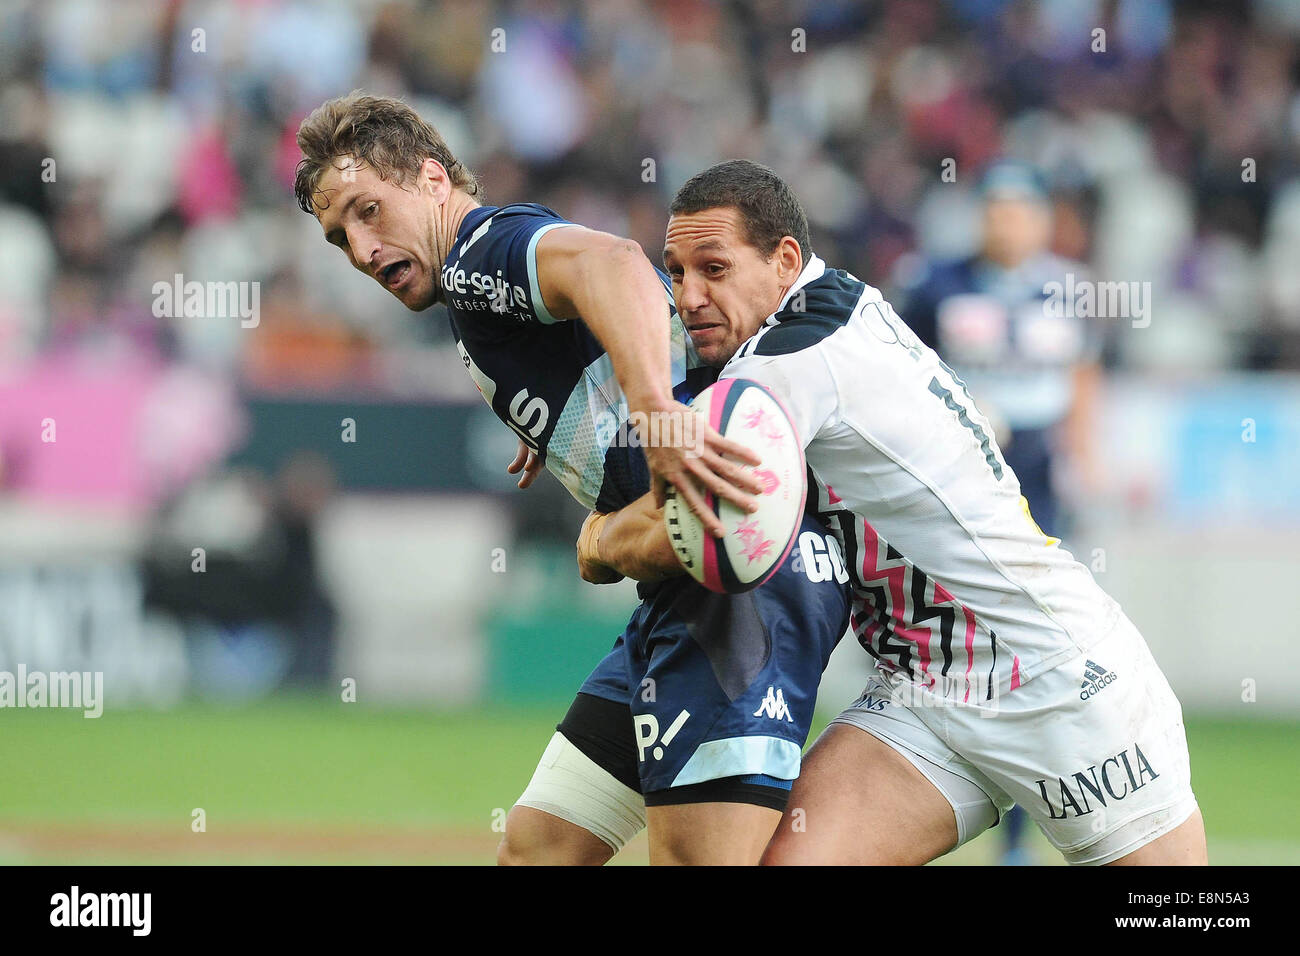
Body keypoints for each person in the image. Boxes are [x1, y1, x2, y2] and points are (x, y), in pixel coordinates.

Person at [583, 159, 1205, 865]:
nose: (688, 296)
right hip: (923, 698)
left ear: (785, 260)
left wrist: (599, 536)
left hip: (1058, 681)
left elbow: (695, 519)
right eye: (675, 271)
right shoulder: (822, 313)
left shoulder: (795, 360)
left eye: (714, 269)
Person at [293, 93, 849, 864]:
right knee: (541, 845)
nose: (359, 248)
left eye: (367, 211)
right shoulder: (475, 287)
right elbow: (612, 306)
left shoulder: (475, 250)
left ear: (428, 178)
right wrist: (558, 426)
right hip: (679, 587)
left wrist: (652, 413)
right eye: (338, 237)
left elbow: (614, 263)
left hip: (730, 583)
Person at [898, 160, 1102, 863]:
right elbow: (904, 373)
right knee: (951, 651)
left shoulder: (1068, 289)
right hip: (953, 494)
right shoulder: (936, 284)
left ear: (1043, 219)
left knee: (1039, 653)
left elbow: (1082, 376)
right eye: (996, 207)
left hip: (1038, 492)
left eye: (1020, 209)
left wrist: (1083, 459)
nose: (1006, 222)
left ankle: (1021, 828)